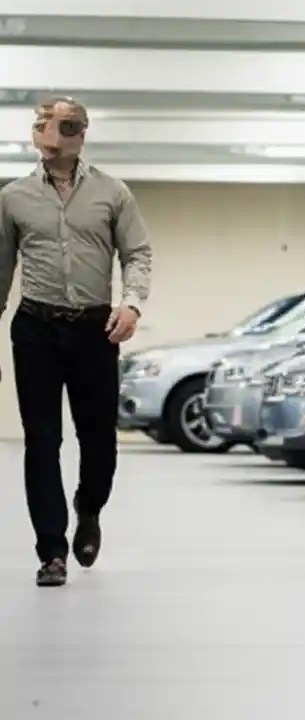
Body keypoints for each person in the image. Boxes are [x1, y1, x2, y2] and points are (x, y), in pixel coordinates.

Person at [0, 97, 152, 587]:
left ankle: (89, 508)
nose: (48, 135)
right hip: (36, 329)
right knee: (42, 440)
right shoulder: (14, 197)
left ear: (80, 135)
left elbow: (137, 254)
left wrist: (130, 304)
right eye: (41, 125)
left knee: (99, 437)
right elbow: (1, 270)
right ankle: (51, 551)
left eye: (60, 127)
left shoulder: (112, 193)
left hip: (94, 329)